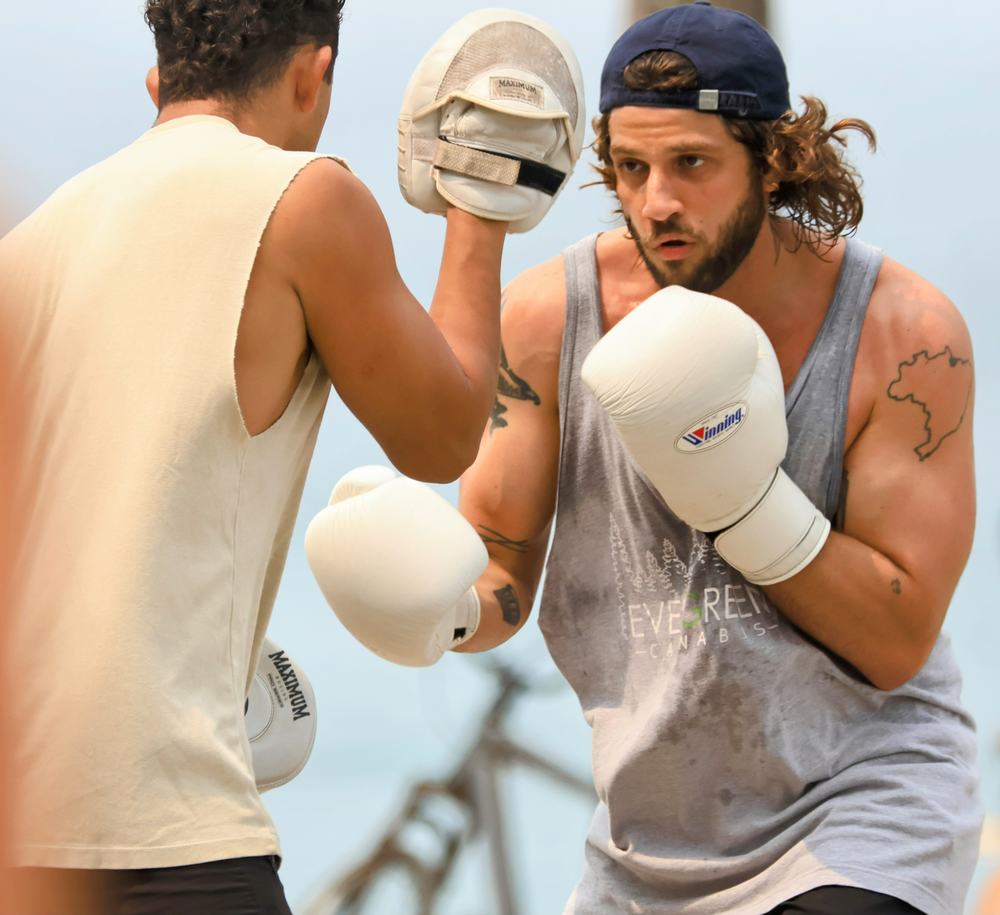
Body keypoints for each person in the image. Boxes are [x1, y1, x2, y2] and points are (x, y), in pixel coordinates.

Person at [313, 3, 983, 913]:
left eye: (691, 165)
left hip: (860, 812)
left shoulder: (903, 336)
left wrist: (746, 503)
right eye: (631, 169)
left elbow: (899, 640)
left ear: (774, 161)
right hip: (645, 847)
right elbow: (503, 565)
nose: (656, 201)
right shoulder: (550, 323)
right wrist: (446, 615)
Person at [0, 0, 585, 909]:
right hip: (168, 847)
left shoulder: (28, 248)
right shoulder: (306, 196)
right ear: (315, 74)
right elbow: (441, 436)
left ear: (159, 81)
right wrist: (481, 207)